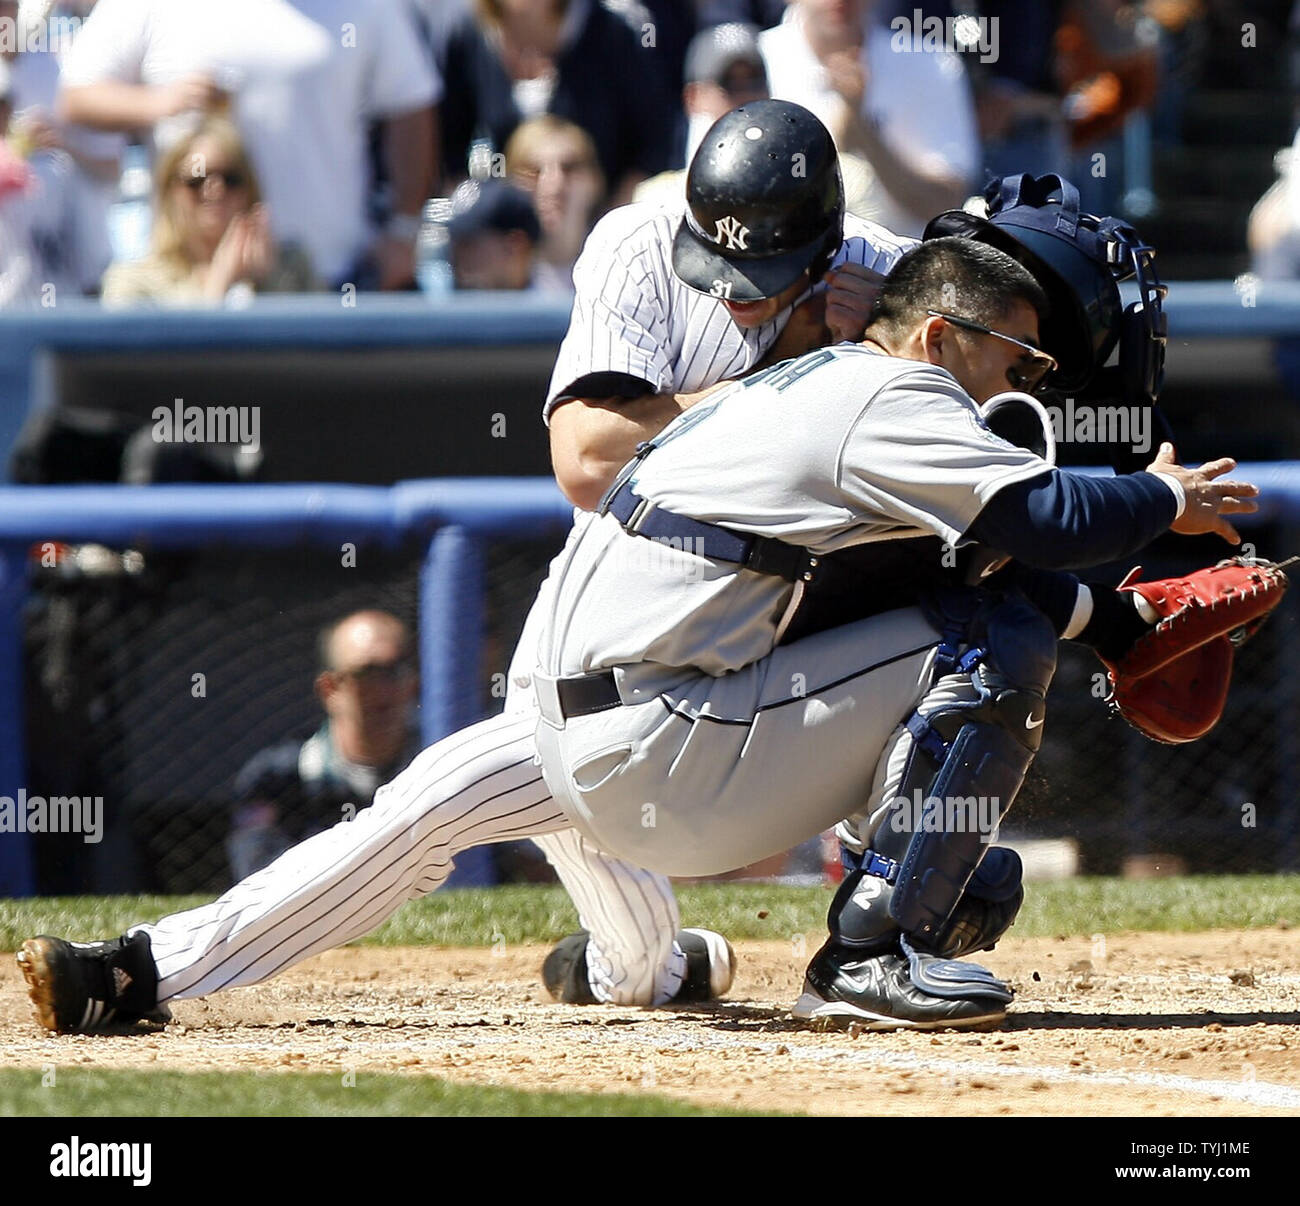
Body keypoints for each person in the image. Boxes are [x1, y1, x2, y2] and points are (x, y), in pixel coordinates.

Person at [15, 236, 1254, 1034]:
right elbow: (1035, 520)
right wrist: (1163, 502)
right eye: (1013, 351)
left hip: (570, 721)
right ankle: (875, 950)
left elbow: (890, 582)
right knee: (991, 660)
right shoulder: (894, 391)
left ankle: (136, 970)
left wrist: (1110, 618)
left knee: (417, 838)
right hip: (664, 747)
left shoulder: (794, 390)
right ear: (937, 335)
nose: (1018, 375)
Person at [55, 0, 439, 289]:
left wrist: (404, 231)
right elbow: (77, 95)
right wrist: (160, 103)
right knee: (187, 398)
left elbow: (411, 102)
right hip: (186, 285)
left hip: (327, 277)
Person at [226, 611, 422, 882]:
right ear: (330, 690)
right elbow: (257, 879)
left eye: (396, 671)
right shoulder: (277, 779)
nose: (385, 690)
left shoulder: (439, 766)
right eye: (367, 674)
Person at [757, 0, 977, 236]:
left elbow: (943, 204)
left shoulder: (933, 63)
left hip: (905, 262)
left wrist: (864, 130)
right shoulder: (748, 64)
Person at [437, 0, 676, 206]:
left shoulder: (617, 33)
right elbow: (450, 145)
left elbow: (654, 145)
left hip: (601, 223)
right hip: (508, 241)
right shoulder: (469, 33)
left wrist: (611, 229)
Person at [100, 116, 316, 306]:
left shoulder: (292, 266)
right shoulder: (132, 282)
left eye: (230, 179)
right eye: (197, 180)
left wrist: (267, 282)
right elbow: (139, 351)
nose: (214, 190)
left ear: (249, 189)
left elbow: (317, 345)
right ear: (169, 192)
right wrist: (218, 286)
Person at [505, 115, 605, 293]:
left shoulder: (622, 273)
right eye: (533, 171)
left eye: (569, 168)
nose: (553, 185)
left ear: (595, 182)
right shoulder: (493, 283)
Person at [447, 178, 543, 291]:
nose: (457, 255)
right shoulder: (441, 303)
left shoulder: (559, 303)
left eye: (469, 243)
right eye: (455, 241)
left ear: (515, 246)